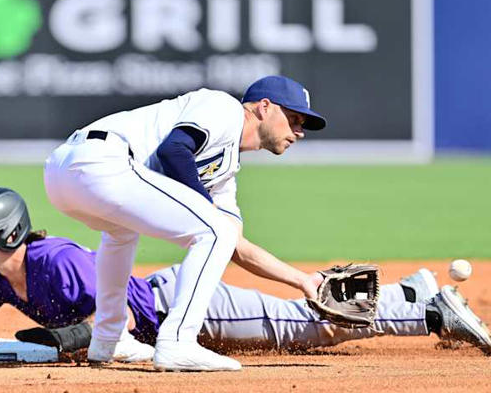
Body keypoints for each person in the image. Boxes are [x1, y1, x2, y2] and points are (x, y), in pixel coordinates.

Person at [0, 188, 491, 359]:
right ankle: (411, 295)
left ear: (10, 233)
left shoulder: (57, 262)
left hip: (185, 307)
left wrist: (65, 343)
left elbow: (113, 320)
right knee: (303, 332)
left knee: (307, 330)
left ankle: (425, 306)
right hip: (169, 322)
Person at [43, 75, 333, 371]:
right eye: (294, 119)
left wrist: (302, 281)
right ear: (264, 107)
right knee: (213, 230)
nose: (299, 131)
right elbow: (175, 150)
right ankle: (178, 342)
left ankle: (109, 337)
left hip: (68, 176)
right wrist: (207, 211)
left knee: (123, 234)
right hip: (98, 161)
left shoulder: (224, 173)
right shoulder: (223, 108)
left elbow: (235, 246)